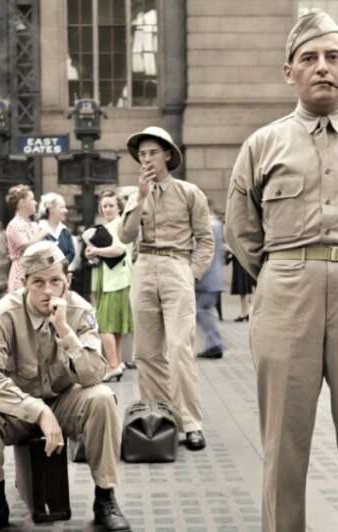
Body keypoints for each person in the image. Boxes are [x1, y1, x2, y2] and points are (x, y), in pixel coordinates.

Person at [224, 11, 338, 531]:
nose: (322, 67)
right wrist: (291, 270)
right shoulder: (262, 145)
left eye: (332, 57)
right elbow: (242, 231)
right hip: (286, 292)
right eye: (309, 58)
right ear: (290, 72)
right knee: (284, 447)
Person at [0, 241, 129, 532]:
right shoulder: (5, 313)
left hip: (65, 402)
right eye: (38, 282)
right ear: (25, 283)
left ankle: (105, 498)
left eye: (55, 281)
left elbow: (93, 375)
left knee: (102, 398)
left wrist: (64, 330)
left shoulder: (80, 310)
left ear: (68, 281)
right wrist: (37, 410)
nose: (47, 290)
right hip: (18, 408)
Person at [120, 126, 214, 451]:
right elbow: (125, 237)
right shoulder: (135, 196)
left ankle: (191, 423)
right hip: (144, 266)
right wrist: (141, 197)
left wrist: (191, 275)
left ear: (168, 155)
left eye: (152, 153)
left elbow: (205, 240)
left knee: (178, 348)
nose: (146, 159)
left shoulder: (190, 193)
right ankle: (158, 419)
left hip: (177, 266)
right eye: (142, 154)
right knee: (146, 353)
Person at [83, 189, 133, 381]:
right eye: (104, 206)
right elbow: (105, 254)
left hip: (117, 279)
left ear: (119, 206)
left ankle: (112, 365)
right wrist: (93, 254)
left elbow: (119, 249)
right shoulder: (108, 225)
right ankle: (117, 362)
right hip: (109, 278)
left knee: (104, 325)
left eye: (111, 205)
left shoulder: (120, 225)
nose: (107, 209)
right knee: (115, 326)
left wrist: (96, 250)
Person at [195, 201, 226, 359]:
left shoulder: (209, 226)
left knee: (201, 311)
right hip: (214, 276)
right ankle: (214, 343)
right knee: (204, 311)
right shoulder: (217, 225)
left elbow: (202, 252)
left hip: (206, 278)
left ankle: (215, 343)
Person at [4, 184, 47, 293]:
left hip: (34, 269)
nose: (35, 202)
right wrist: (43, 233)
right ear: (22, 202)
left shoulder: (31, 224)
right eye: (32, 199)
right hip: (21, 270)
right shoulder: (14, 224)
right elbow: (26, 247)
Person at [38, 192, 76, 265]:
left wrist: (60, 264)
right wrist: (52, 265)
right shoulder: (39, 229)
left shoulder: (65, 231)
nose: (66, 210)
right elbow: (38, 254)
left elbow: (71, 253)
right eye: (62, 207)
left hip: (62, 273)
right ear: (51, 209)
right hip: (44, 274)